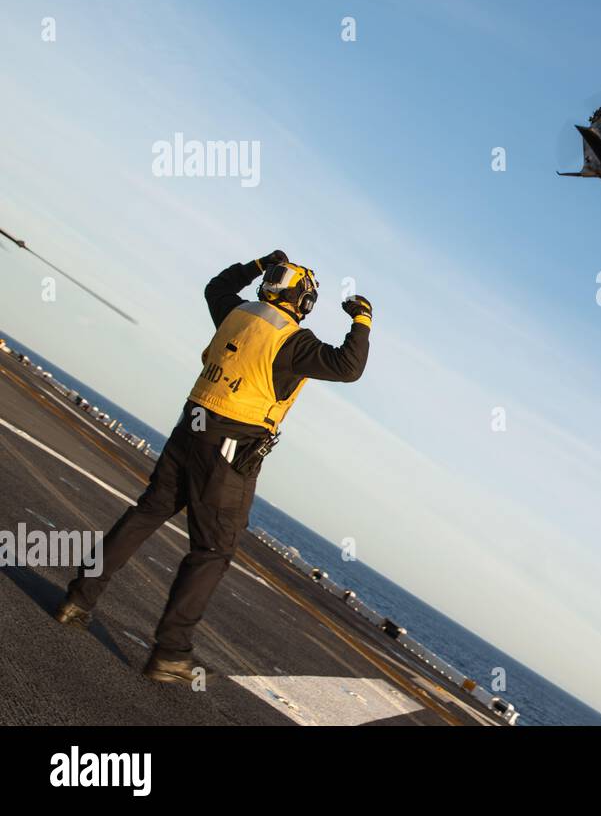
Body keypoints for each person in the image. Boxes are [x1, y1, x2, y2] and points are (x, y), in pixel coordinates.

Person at [56, 250, 373, 683]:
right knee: (212, 550)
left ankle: (78, 599)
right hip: (230, 446)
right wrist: (362, 320)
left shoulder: (236, 312)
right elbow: (348, 366)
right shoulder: (293, 342)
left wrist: (257, 264)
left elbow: (215, 286)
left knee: (146, 512)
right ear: (302, 300)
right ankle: (170, 651)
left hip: (192, 424)